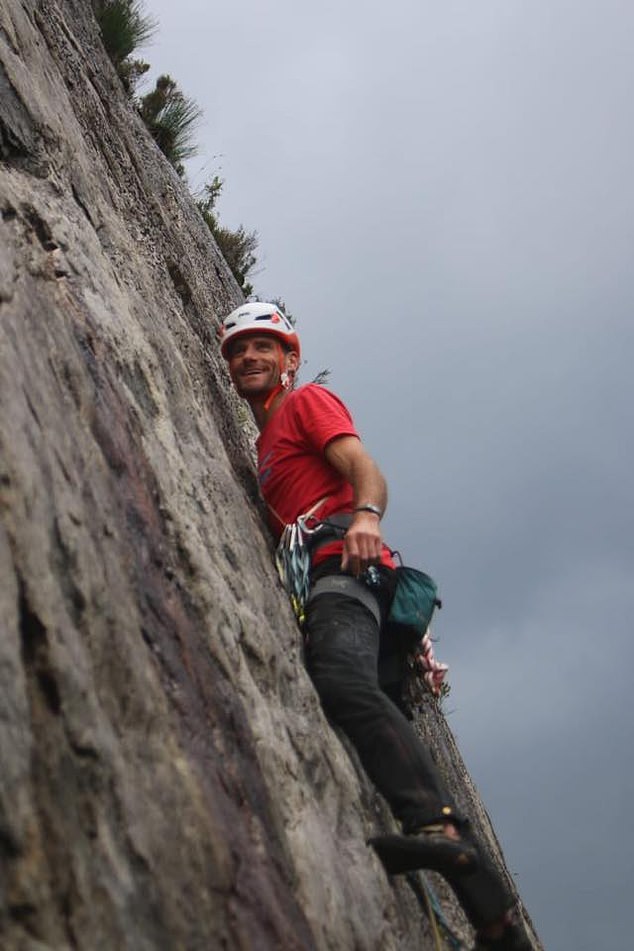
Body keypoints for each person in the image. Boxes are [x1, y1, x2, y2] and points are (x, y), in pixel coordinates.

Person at [218, 301, 531, 951]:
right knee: (384, 724)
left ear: (289, 358)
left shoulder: (308, 405)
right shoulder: (263, 445)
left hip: (346, 564)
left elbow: (365, 467)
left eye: (263, 346)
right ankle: (496, 920)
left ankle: (439, 830)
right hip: (345, 578)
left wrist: (365, 515)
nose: (249, 356)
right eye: (237, 348)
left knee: (339, 681)